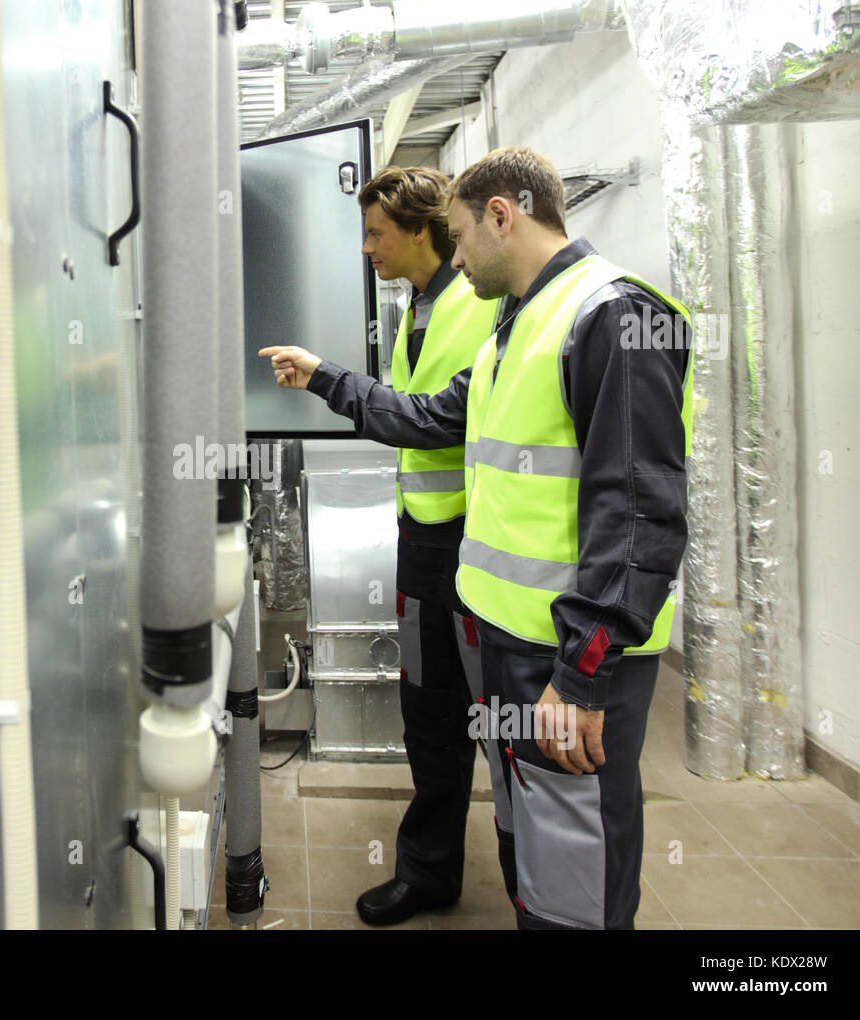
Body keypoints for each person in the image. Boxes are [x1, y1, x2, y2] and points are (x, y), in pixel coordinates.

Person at [260, 146, 692, 930]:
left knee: (574, 862)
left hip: (564, 654)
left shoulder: (615, 316)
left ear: (504, 215)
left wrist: (584, 674)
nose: (455, 256)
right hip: (505, 632)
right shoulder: (514, 328)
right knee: (537, 847)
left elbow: (639, 514)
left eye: (458, 237)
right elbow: (427, 421)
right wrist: (325, 378)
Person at [278, 165, 501, 926]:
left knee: (500, 725)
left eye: (376, 232)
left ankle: (542, 887)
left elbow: (434, 420)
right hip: (421, 547)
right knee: (429, 714)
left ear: (417, 230)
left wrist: (326, 379)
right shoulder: (417, 307)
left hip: (479, 548)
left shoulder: (482, 302)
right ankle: (429, 874)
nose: (366, 247)